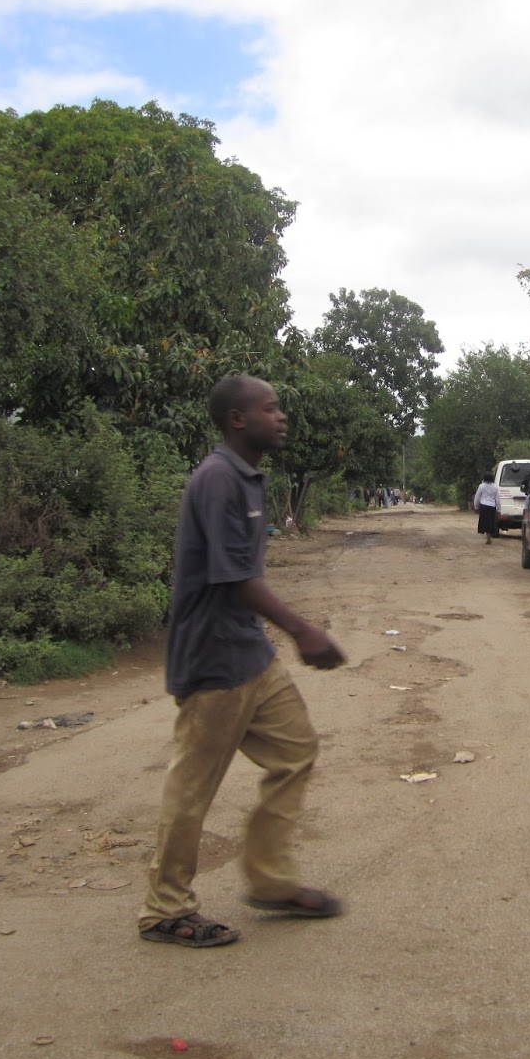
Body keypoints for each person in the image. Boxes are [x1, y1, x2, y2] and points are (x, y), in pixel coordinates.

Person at [138, 374, 347, 948]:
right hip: (212, 658)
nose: (281, 417)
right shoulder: (217, 480)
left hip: (250, 653)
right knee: (193, 786)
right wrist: (303, 630)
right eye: (270, 408)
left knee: (296, 750)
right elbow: (234, 578)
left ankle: (270, 879)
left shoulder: (248, 478)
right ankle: (165, 909)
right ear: (238, 419)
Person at [472, 472, 500, 542]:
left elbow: (477, 496)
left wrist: (476, 506)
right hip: (492, 506)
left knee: (484, 521)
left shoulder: (482, 486)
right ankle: (489, 536)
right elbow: (498, 498)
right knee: (491, 522)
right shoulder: (495, 487)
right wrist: (499, 509)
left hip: (484, 506)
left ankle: (488, 537)